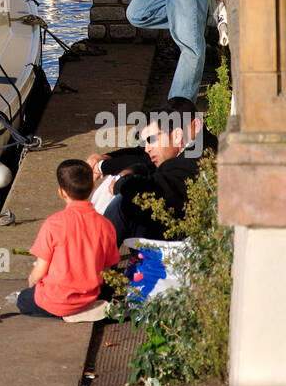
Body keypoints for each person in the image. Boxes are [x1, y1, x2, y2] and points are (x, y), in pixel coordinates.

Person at [17, 160, 119, 318]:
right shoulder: (105, 225)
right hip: (90, 298)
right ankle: (87, 309)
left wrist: (32, 282)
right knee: (108, 290)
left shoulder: (53, 223)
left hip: (56, 301)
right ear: (93, 187)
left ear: (61, 192)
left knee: (23, 299)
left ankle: (66, 312)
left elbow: (39, 271)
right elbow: (108, 269)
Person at [102, 99, 207, 246]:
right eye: (145, 143)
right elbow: (145, 162)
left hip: (179, 247)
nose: (147, 148)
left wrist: (123, 183)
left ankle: (96, 259)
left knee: (124, 203)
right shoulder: (189, 150)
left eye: (152, 140)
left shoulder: (192, 160)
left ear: (177, 135)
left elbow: (159, 187)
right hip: (176, 233)